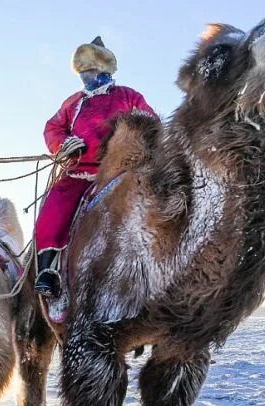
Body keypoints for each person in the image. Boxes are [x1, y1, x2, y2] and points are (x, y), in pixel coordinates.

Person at [35, 36, 155, 297]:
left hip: (121, 173)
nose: (87, 78)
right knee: (54, 208)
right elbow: (53, 128)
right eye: (83, 73)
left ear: (104, 70)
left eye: (90, 72)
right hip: (79, 172)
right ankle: (48, 270)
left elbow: (150, 124)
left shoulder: (128, 96)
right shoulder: (73, 102)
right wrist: (63, 144)